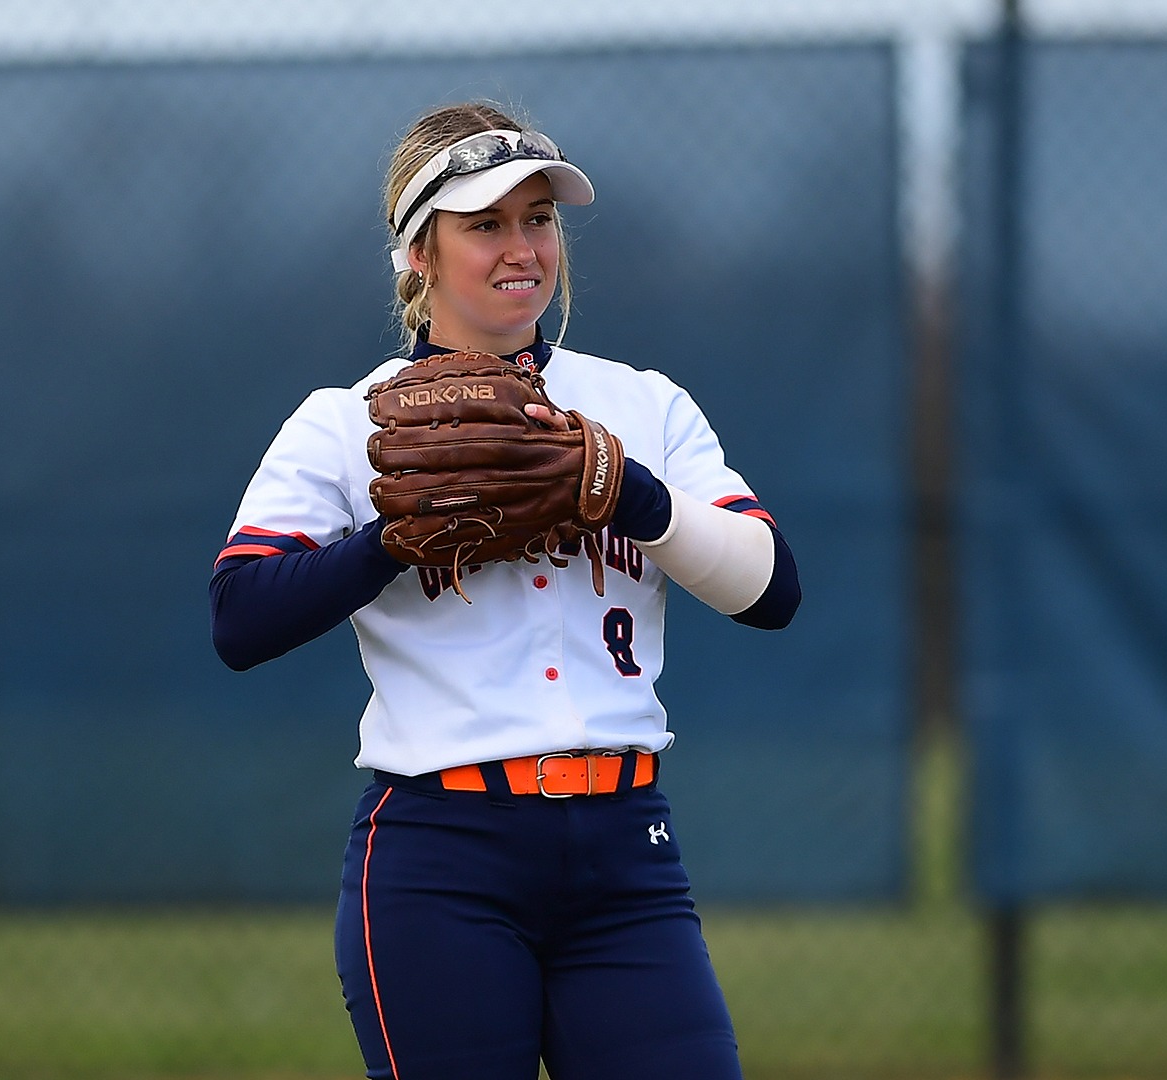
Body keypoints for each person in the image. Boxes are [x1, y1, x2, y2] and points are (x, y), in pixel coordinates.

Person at [210, 101, 800, 1080]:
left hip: (626, 855)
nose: (521, 246)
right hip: (442, 855)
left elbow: (771, 588)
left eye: (539, 218)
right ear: (417, 254)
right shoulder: (345, 424)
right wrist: (397, 540)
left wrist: (636, 497)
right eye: (485, 224)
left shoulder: (639, 406)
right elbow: (240, 617)